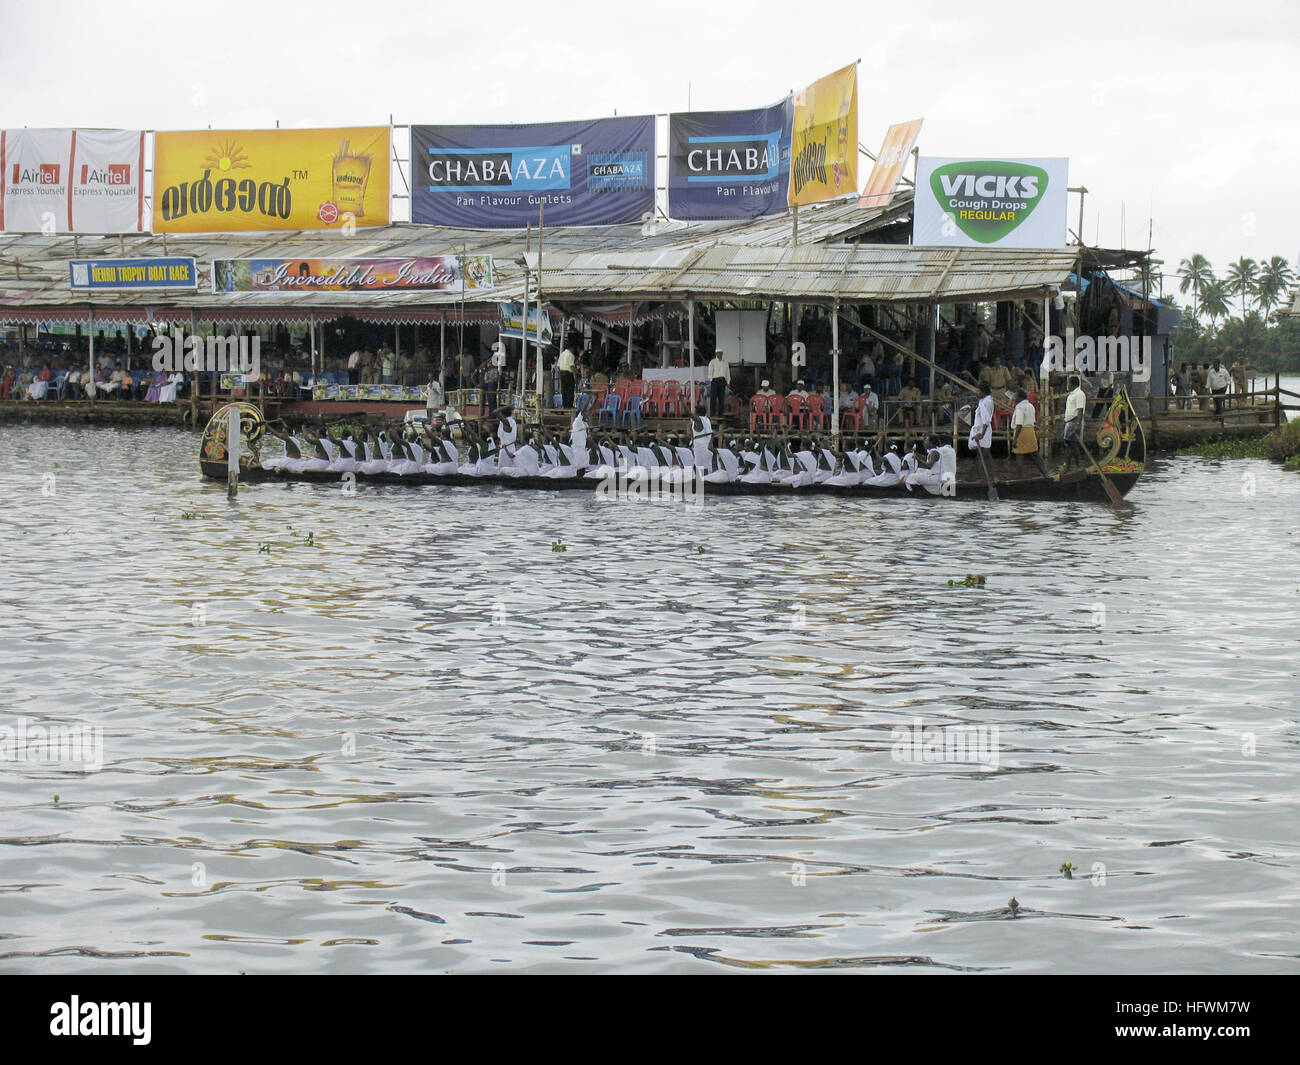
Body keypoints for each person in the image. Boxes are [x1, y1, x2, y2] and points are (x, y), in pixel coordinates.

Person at [1010, 388, 1050, 478]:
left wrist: (1015, 439)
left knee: (1019, 456)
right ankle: (1046, 474)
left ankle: (1019, 478)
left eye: (1015, 396)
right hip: (1030, 432)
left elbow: (1019, 425)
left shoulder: (1020, 408)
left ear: (1020, 397)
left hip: (1021, 433)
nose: (1014, 398)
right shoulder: (1030, 406)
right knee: (1036, 455)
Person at [1062, 375, 1087, 469]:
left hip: (1075, 421)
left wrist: (1078, 424)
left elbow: (1080, 410)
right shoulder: (1072, 394)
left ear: (1072, 384)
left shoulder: (1079, 394)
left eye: (1068, 383)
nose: (1067, 385)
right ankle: (1069, 466)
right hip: (1069, 421)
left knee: (1073, 444)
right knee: (1068, 444)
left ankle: (1076, 465)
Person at [967, 383, 995, 466]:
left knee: (986, 453)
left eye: (978, 391)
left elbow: (986, 420)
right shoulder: (982, 401)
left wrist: (982, 434)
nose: (977, 393)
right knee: (980, 454)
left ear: (983, 392)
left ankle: (993, 476)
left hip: (984, 430)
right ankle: (981, 474)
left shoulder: (988, 402)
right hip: (980, 429)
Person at [707, 350, 729, 416]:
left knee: (721, 398)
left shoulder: (725, 362)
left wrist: (728, 381)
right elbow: (710, 372)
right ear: (716, 354)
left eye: (721, 353)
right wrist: (712, 380)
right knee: (713, 398)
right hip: (715, 380)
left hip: (722, 380)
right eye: (718, 353)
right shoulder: (712, 362)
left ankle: (720, 414)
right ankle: (712, 413)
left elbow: (727, 373)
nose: (720, 355)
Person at [557, 341, 578, 408]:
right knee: (570, 389)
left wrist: (560, 374)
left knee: (564, 389)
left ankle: (564, 404)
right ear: (571, 348)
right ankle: (569, 404)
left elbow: (558, 366)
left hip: (562, 372)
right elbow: (571, 366)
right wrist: (574, 375)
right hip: (568, 373)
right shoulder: (571, 355)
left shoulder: (562, 354)